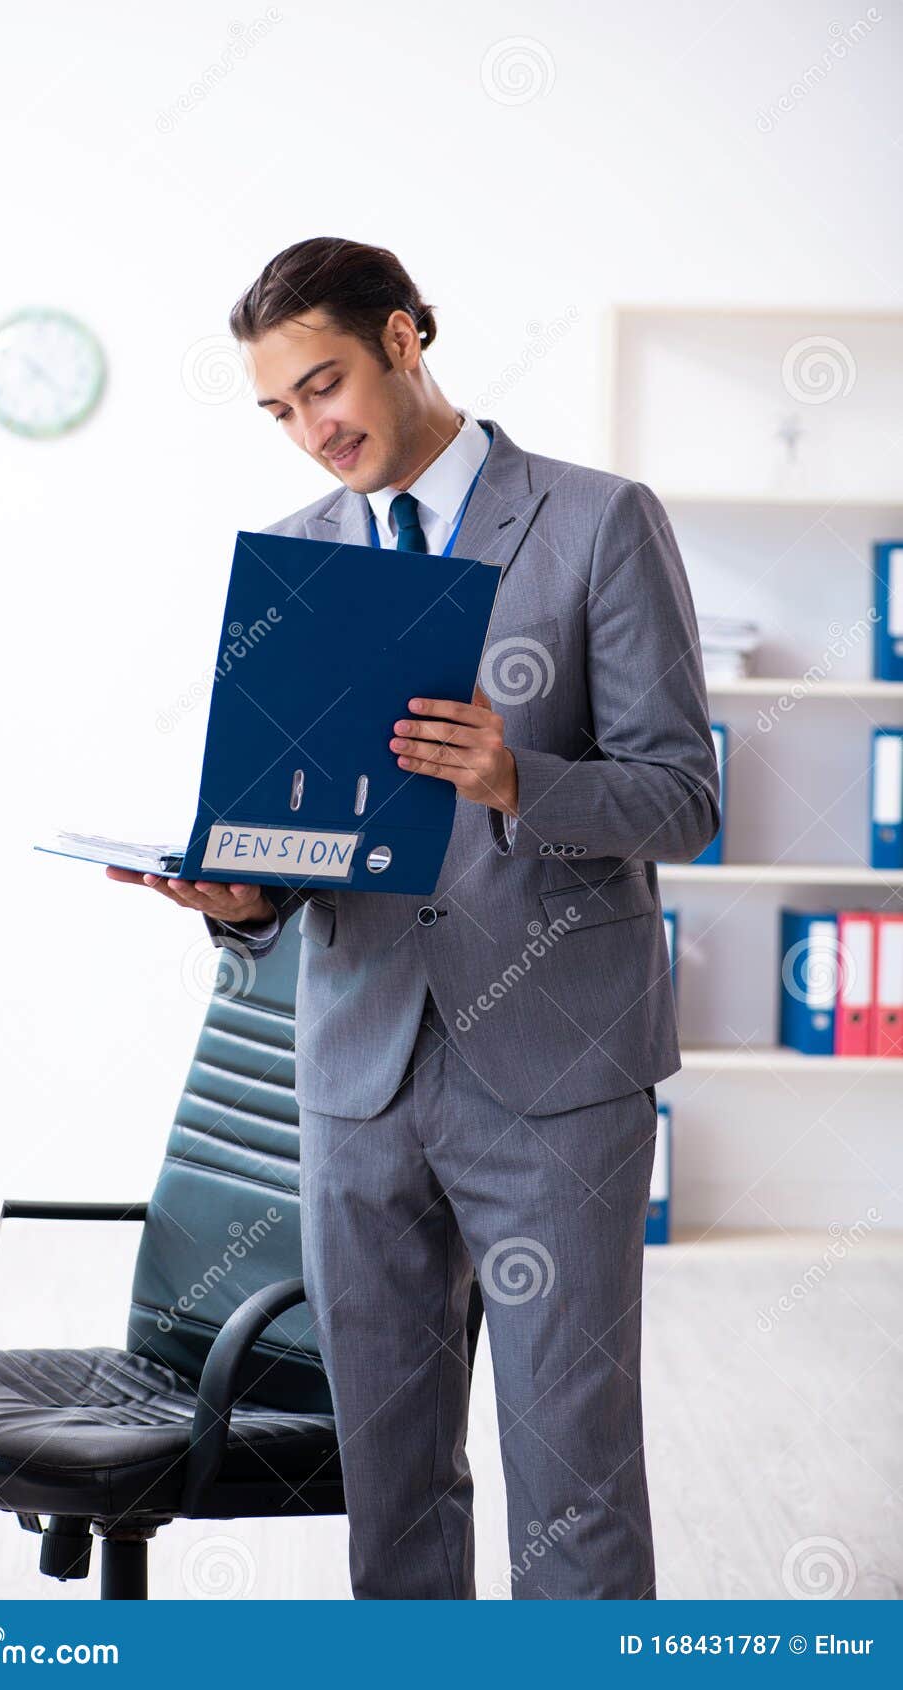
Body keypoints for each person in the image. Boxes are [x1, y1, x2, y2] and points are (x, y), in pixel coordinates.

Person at [108, 236, 720, 1599]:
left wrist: (518, 778)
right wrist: (245, 899)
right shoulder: (293, 554)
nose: (311, 429)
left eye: (324, 384)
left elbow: (685, 798)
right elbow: (303, 826)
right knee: (389, 1484)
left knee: (573, 1478)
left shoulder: (595, 519)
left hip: (557, 1073)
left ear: (403, 338)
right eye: (278, 410)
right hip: (358, 1074)